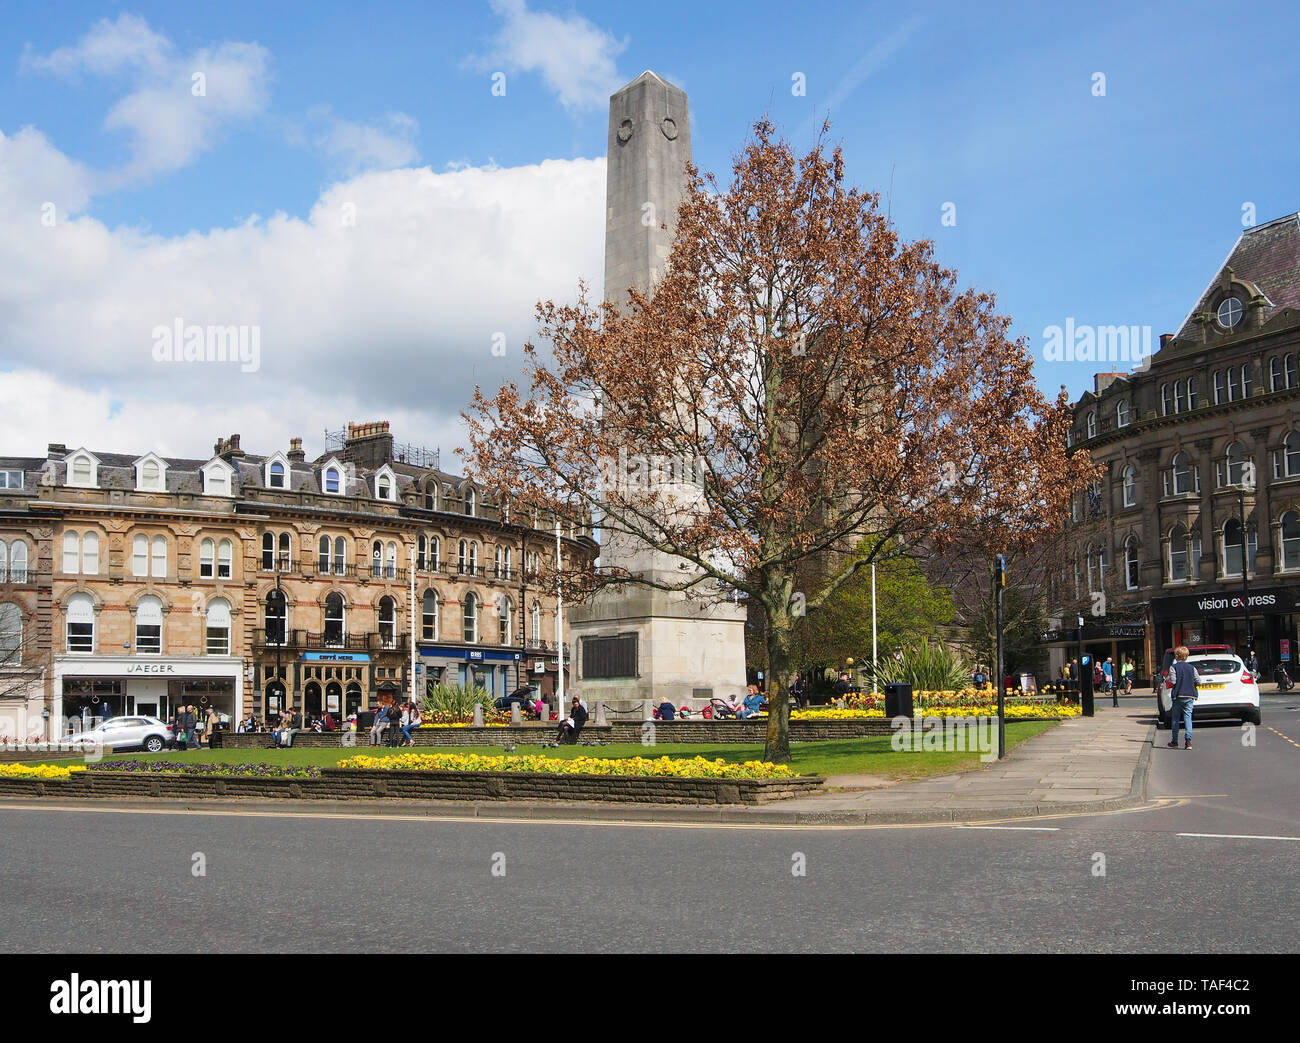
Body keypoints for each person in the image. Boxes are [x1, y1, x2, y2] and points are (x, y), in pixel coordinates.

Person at [1167, 645, 1198, 750]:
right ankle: (1188, 741)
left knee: (1175, 718)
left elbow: (1173, 681)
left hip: (1178, 695)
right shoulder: (1192, 668)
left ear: (1176, 656)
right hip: (1190, 695)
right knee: (1187, 717)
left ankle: (1175, 741)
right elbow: (1198, 681)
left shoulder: (1173, 667)